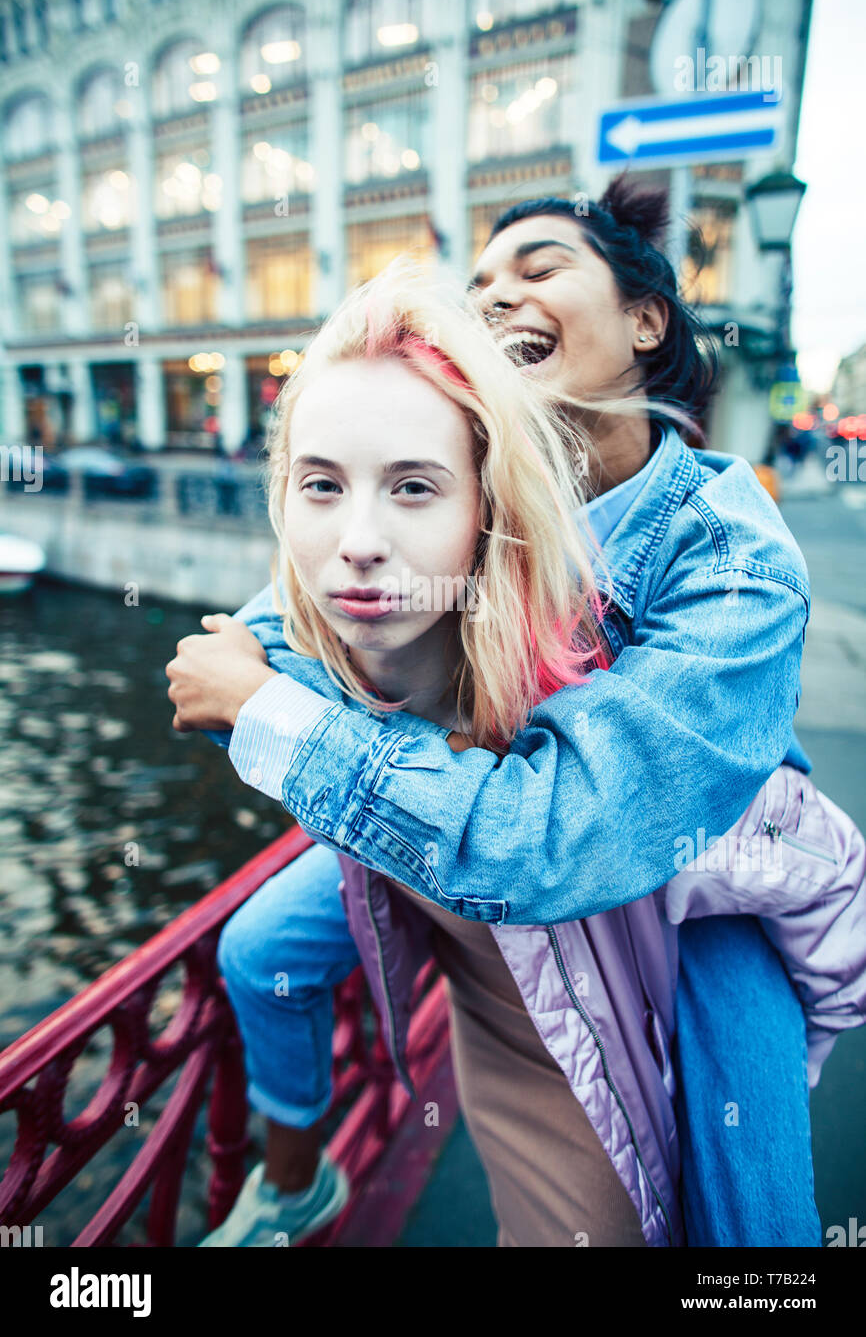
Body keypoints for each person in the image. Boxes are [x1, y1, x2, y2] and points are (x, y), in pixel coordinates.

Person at [167, 182, 866, 1246]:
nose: (495, 297)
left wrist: (275, 713)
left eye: (537, 268)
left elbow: (565, 828)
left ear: (645, 321)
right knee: (260, 939)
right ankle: (294, 1179)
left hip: (701, 871)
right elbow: (278, 626)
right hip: (487, 831)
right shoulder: (486, 486)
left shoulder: (729, 547)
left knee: (748, 1201)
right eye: (479, 284)